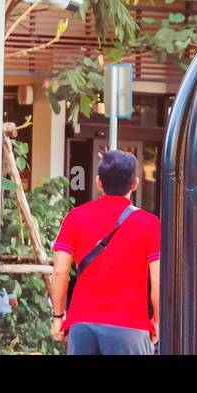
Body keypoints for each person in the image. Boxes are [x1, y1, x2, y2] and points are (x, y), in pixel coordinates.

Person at [49, 150, 161, 355]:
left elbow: (59, 271)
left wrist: (58, 316)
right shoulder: (150, 224)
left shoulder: (76, 217)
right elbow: (158, 278)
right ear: (135, 184)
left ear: (98, 182)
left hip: (82, 324)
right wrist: (157, 320)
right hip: (129, 326)